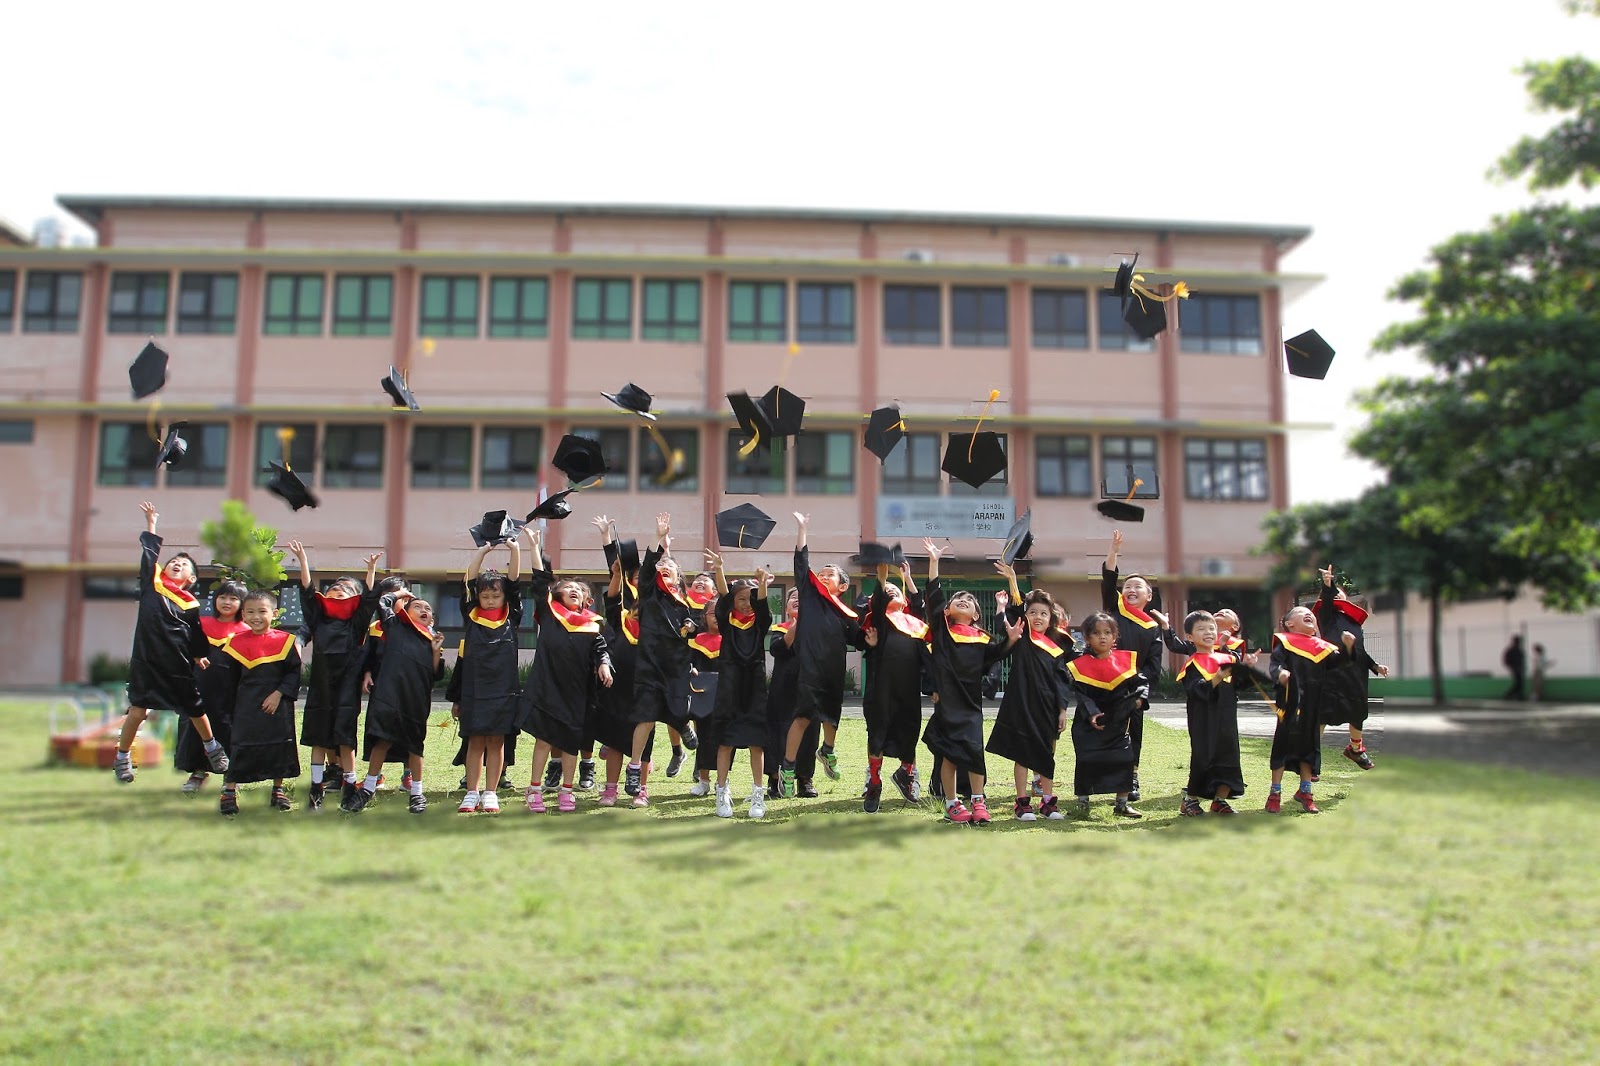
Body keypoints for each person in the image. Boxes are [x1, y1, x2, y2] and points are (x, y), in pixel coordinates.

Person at [113, 502, 226, 784]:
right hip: (147, 660)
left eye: (184, 564)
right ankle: (122, 757)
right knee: (138, 710)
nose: (177, 563)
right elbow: (149, 556)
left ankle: (212, 747)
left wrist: (199, 654)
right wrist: (152, 524)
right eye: (175, 561)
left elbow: (195, 633)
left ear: (191, 579)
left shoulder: (189, 603)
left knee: (195, 708)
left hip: (176, 661)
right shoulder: (152, 584)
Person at [921, 540, 1023, 825]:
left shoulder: (982, 638)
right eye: (957, 600)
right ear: (948, 611)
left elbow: (997, 655)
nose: (962, 600)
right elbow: (934, 595)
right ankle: (952, 803)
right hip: (948, 703)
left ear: (977, 615)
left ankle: (978, 801)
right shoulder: (942, 632)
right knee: (949, 756)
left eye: (969, 601)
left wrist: (1012, 639)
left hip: (970, 704)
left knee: (975, 753)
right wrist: (934, 562)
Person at [521, 525, 613, 814]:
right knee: (545, 740)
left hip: (576, 691)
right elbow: (540, 581)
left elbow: (600, 648)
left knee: (571, 742)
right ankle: (534, 788)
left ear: (587, 600)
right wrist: (534, 547)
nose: (573, 589)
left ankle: (567, 790)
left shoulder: (591, 623)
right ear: (557, 595)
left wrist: (605, 664)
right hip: (548, 686)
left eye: (580, 590)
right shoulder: (550, 615)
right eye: (568, 587)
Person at [287, 540, 382, 810]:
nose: (338, 593)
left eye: (345, 592)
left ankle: (349, 785)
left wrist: (371, 570)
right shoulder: (320, 619)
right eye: (334, 590)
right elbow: (307, 592)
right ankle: (315, 788)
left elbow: (369, 599)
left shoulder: (356, 624)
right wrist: (304, 561)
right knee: (319, 736)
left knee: (344, 737)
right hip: (321, 687)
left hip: (347, 689)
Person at [985, 565, 1075, 822]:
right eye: (1033, 612)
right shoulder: (1022, 639)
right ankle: (1022, 802)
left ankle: (1048, 802)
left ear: (1051, 619)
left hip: (1046, 706)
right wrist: (1014, 581)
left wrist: (1062, 709)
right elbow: (1013, 612)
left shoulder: (1056, 648)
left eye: (1043, 614)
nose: (1038, 617)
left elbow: (1061, 683)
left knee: (1046, 753)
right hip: (1021, 703)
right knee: (1021, 753)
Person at [778, 512, 858, 797]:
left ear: (843, 586)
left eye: (830, 575)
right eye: (821, 574)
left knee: (831, 718)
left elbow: (858, 638)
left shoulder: (846, 613)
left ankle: (827, 750)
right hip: (809, 670)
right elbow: (801, 564)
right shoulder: (809, 599)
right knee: (801, 718)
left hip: (833, 673)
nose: (823, 577)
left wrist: (869, 637)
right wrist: (803, 530)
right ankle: (787, 768)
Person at [344, 590, 445, 814]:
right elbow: (383, 601)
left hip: (415, 700)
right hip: (389, 696)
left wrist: (436, 652)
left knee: (415, 747)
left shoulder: (431, 639)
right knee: (382, 740)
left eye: (428, 609)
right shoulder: (395, 627)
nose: (424, 610)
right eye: (418, 606)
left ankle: (417, 792)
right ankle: (368, 788)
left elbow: (435, 675)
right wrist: (401, 592)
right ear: (405, 613)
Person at [625, 513, 697, 807]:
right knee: (646, 717)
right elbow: (649, 567)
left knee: (678, 709)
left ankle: (682, 725)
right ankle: (634, 768)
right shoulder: (649, 594)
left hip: (677, 667)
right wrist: (658, 540)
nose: (665, 572)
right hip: (650, 666)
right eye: (660, 570)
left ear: (679, 578)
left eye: (670, 571)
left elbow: (698, 627)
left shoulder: (684, 602)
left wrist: (694, 626)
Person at [451, 537, 523, 815]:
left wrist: (515, 550)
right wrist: (483, 551)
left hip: (503, 690)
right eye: (485, 595)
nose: (490, 600)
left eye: (496, 595)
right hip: (474, 689)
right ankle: (471, 793)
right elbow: (468, 581)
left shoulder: (511, 617)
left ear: (504, 598)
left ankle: (491, 792)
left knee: (496, 742)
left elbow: (514, 582)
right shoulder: (471, 615)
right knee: (475, 741)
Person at [218, 589, 304, 815]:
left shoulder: (285, 641)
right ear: (243, 615)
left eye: (262, 611)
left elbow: (293, 673)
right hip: (245, 705)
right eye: (250, 612)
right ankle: (229, 791)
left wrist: (278, 694)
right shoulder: (234, 643)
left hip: (278, 704)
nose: (256, 616)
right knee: (240, 745)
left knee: (279, 744)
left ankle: (278, 790)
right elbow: (228, 681)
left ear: (274, 613)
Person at [1266, 605, 1357, 814]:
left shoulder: (1322, 647)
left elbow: (1341, 664)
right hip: (1290, 703)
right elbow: (1275, 665)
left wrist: (1349, 648)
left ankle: (1306, 793)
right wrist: (1280, 674)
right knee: (1282, 745)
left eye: (1311, 615)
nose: (1309, 614)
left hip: (1314, 705)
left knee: (1309, 747)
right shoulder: (1285, 642)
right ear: (1290, 624)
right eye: (1301, 612)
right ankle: (1275, 793)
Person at [704, 551, 773, 819]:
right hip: (729, 689)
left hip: (753, 689)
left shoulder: (760, 624)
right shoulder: (726, 621)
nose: (746, 603)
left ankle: (758, 794)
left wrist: (763, 582)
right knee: (725, 743)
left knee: (757, 744)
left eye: (750, 599)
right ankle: (722, 792)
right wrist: (720, 570)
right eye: (741, 599)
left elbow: (763, 604)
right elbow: (722, 597)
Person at [857, 559, 930, 812]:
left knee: (909, 732)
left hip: (908, 689)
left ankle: (905, 774)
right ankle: (875, 782)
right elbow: (878, 601)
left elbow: (919, 605)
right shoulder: (880, 620)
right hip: (881, 689)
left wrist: (907, 578)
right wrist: (882, 577)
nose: (892, 592)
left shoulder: (914, 623)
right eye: (887, 591)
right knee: (878, 733)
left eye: (895, 590)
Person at [1173, 610, 1257, 816]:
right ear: (1190, 637)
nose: (1208, 632)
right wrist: (1217, 677)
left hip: (1226, 719)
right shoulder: (1192, 663)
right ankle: (1190, 800)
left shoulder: (1227, 658)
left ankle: (1220, 800)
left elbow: (1240, 686)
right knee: (1204, 757)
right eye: (1201, 629)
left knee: (1228, 757)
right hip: (1204, 720)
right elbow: (1196, 690)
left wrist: (1247, 667)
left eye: (1212, 628)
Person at [1067, 611, 1148, 819]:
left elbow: (1141, 683)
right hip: (1088, 723)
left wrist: (1140, 699)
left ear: (1115, 636)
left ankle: (1121, 803)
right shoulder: (1079, 665)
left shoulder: (1126, 661)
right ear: (1087, 638)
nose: (1102, 637)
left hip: (1118, 720)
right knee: (1087, 761)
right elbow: (1082, 695)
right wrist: (1092, 714)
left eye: (1107, 632)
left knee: (1124, 759)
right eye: (1096, 633)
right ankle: (1083, 803)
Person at [1101, 530, 1161, 802]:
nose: (1131, 589)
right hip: (1106, 682)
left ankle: (1131, 777)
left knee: (1133, 732)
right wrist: (1113, 551)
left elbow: (1153, 665)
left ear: (1149, 595)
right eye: (1128, 586)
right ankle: (1100, 777)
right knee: (1103, 729)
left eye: (1138, 587)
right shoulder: (1114, 610)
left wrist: (1139, 685)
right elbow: (1109, 577)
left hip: (1133, 689)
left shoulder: (1153, 628)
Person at [174, 579, 249, 794]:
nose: (227, 602)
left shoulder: (245, 631)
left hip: (230, 691)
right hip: (200, 686)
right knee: (195, 726)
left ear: (242, 604)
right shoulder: (201, 624)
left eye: (234, 598)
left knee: (228, 727)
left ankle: (231, 775)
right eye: (222, 597)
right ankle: (198, 772)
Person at [1312, 564, 1389, 770]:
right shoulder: (1327, 616)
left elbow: (1361, 650)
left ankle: (1355, 750)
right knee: (1324, 712)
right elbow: (1328, 599)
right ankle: (1310, 752)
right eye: (1333, 593)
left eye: (1340, 592)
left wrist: (1375, 666)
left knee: (1357, 711)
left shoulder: (1355, 624)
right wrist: (1328, 584)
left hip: (1356, 674)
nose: (1337, 594)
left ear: (1346, 598)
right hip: (1333, 671)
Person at [358, 575, 413, 802]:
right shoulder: (374, 628)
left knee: (409, 733)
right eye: (387, 595)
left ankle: (408, 775)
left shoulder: (415, 625)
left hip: (408, 689)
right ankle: (376, 775)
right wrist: (367, 673)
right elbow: (369, 656)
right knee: (377, 733)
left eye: (398, 595)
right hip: (382, 688)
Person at [765, 588, 820, 798]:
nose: (797, 600)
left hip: (809, 687)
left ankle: (805, 779)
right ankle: (775, 779)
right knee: (778, 732)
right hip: (783, 690)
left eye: (802, 597)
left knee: (809, 733)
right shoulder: (779, 628)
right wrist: (794, 629)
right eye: (793, 598)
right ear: (786, 608)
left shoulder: (817, 630)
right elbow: (777, 650)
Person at [686, 590, 723, 799]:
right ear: (704, 617)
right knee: (704, 738)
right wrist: (690, 668)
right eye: (712, 613)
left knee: (723, 739)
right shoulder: (695, 640)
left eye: (720, 612)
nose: (716, 616)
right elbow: (687, 661)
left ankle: (722, 781)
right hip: (702, 695)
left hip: (725, 696)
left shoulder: (731, 639)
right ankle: (703, 780)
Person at [1503, 634, 1527, 701]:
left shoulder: (1518, 650)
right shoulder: (1513, 650)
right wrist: (1512, 667)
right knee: (1518, 683)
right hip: (1516, 668)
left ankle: (1518, 696)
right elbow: (1507, 660)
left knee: (1520, 683)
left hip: (1518, 668)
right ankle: (1509, 695)